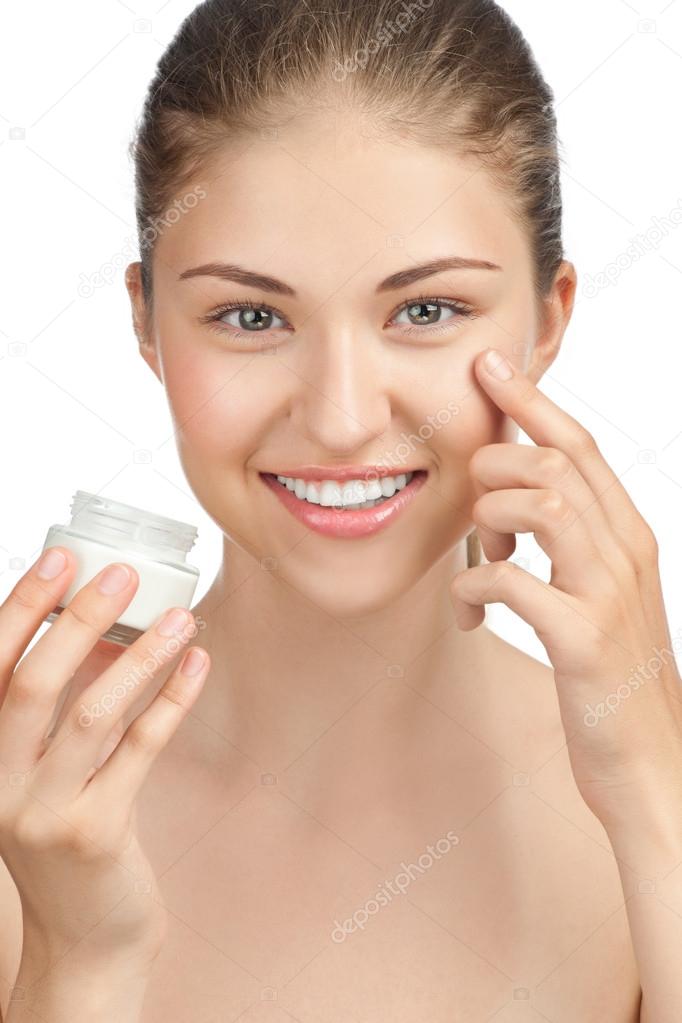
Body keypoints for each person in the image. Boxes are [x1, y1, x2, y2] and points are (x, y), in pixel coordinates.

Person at [1, 1, 680, 1020]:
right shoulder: (26, 806)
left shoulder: (649, 800)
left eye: (425, 310)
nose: (343, 419)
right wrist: (77, 963)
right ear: (144, 322)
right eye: (251, 316)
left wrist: (651, 783)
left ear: (547, 320)